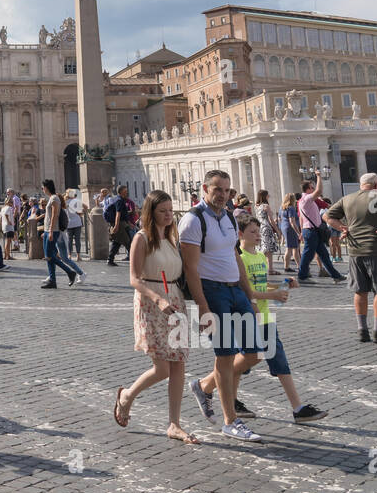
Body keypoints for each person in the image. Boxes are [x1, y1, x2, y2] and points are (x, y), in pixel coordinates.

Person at [196, 218, 326, 424]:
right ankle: (210, 388)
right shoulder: (241, 258)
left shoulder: (260, 257)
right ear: (239, 235)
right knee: (243, 361)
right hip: (249, 315)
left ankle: (296, 407)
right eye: (252, 232)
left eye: (258, 231)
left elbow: (261, 286)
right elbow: (245, 291)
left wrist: (281, 285)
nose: (258, 235)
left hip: (264, 317)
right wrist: (271, 296)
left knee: (274, 359)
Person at [180, 169, 263, 442]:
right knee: (225, 355)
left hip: (235, 291)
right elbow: (191, 269)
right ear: (205, 188)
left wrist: (249, 294)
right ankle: (230, 421)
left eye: (226, 190)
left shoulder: (229, 216)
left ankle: (204, 385)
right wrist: (203, 306)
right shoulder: (192, 221)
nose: (222, 195)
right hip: (213, 292)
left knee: (253, 353)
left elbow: (235, 256)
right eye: (217, 189)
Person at [111, 190, 199, 443]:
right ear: (151, 213)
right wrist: (158, 299)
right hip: (152, 302)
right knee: (162, 368)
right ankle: (127, 395)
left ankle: (174, 424)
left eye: (171, 211)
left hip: (175, 301)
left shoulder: (172, 237)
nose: (169, 215)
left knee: (179, 362)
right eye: (163, 211)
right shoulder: (141, 238)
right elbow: (134, 279)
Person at [325, 173, 377, 344]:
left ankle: (362, 330)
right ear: (375, 185)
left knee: (360, 291)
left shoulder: (348, 198)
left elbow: (327, 217)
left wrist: (342, 228)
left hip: (355, 250)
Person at [296, 174, 344, 284]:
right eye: (312, 187)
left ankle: (336, 276)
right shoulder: (306, 199)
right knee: (308, 254)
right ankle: (302, 276)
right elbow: (319, 190)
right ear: (308, 189)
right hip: (311, 230)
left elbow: (301, 217)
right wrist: (318, 177)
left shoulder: (305, 200)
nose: (313, 190)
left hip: (312, 230)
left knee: (324, 254)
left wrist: (302, 231)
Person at [40, 179, 80, 288]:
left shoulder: (54, 199)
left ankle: (70, 272)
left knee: (49, 256)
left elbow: (54, 216)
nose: (42, 189)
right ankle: (52, 280)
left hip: (53, 230)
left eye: (42, 187)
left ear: (47, 187)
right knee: (48, 256)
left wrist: (51, 231)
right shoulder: (51, 198)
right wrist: (46, 231)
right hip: (48, 230)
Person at [105, 186, 136, 267]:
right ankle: (135, 260)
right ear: (121, 192)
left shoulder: (119, 200)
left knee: (117, 242)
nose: (127, 192)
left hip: (122, 223)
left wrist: (129, 223)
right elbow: (118, 214)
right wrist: (116, 226)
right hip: (120, 224)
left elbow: (123, 214)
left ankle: (110, 259)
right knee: (128, 242)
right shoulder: (119, 201)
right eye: (125, 191)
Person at [254, 190, 281, 275]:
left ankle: (263, 267)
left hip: (260, 228)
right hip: (266, 227)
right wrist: (277, 230)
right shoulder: (266, 206)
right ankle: (270, 269)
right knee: (269, 250)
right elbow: (271, 220)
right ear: (265, 196)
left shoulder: (257, 206)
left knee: (262, 248)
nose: (269, 195)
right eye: (267, 194)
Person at [278, 194, 301, 272]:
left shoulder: (281, 208)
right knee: (294, 248)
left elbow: (279, 219)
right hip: (291, 229)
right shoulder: (291, 208)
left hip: (284, 227)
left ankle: (287, 266)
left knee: (290, 248)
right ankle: (298, 266)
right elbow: (292, 221)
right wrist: (298, 232)